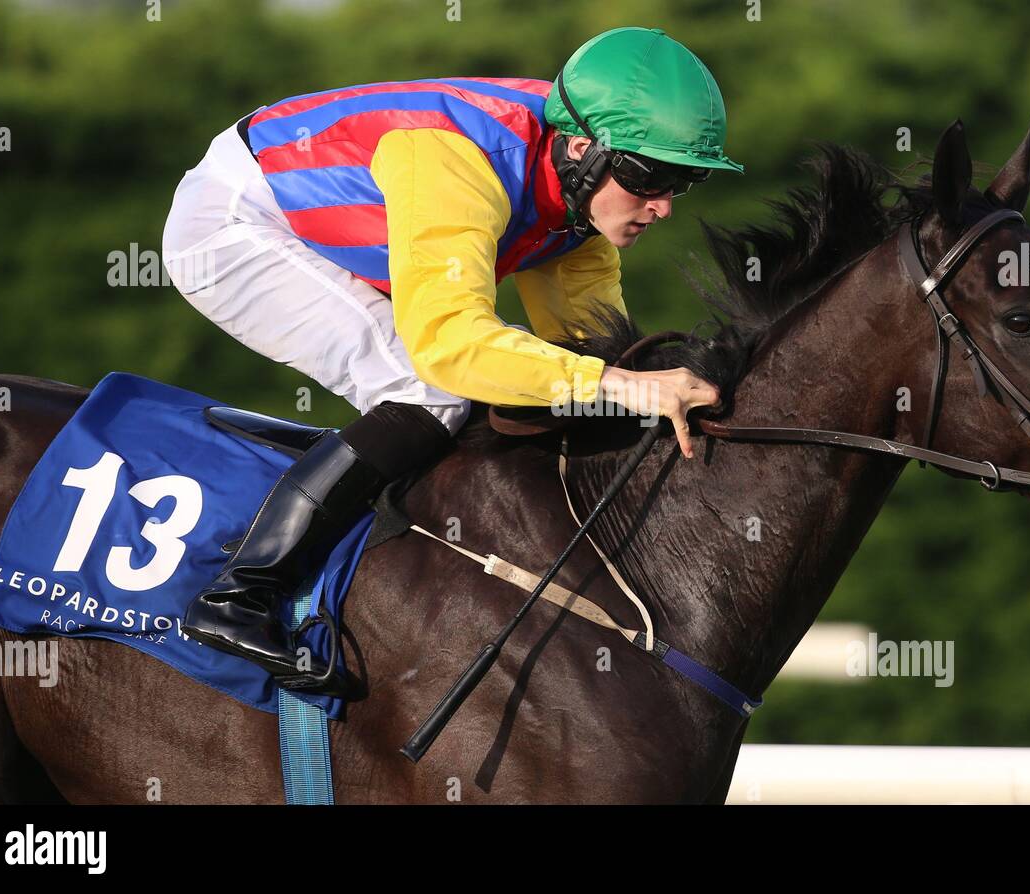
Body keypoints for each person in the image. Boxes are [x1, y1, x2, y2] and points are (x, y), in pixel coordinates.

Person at [161, 26, 742, 693]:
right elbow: (449, 344)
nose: (663, 205)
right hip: (235, 225)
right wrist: (623, 386)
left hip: (319, 215)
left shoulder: (576, 199)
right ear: (583, 147)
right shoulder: (459, 163)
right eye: (651, 176)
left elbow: (585, 354)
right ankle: (240, 594)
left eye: (684, 182)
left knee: (553, 384)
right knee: (428, 386)